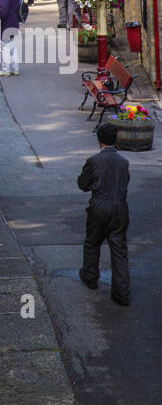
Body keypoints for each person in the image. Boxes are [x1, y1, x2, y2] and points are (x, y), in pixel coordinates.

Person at [78, 122, 130, 305]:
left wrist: (93, 185)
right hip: (120, 207)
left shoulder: (94, 161)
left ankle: (90, 277)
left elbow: (83, 184)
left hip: (100, 206)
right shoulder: (124, 163)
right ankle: (122, 292)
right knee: (119, 250)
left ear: (99, 140)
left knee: (92, 242)